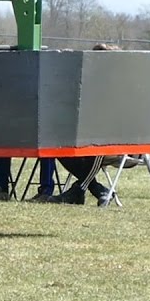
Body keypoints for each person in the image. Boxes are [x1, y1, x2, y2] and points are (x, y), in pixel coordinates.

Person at [48, 43, 121, 206]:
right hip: (87, 136)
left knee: (97, 148)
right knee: (58, 146)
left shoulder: (120, 86)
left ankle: (78, 190)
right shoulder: (88, 83)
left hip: (114, 141)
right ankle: (98, 189)